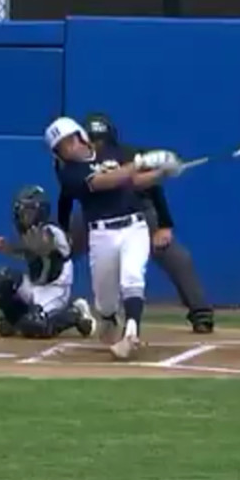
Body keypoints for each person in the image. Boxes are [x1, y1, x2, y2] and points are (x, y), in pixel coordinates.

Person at [58, 113, 215, 334]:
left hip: (137, 211)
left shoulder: (126, 154)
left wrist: (164, 225)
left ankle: (201, 313)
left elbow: (153, 189)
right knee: (58, 250)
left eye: (101, 140)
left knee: (177, 258)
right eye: (92, 139)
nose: (97, 145)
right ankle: (42, 306)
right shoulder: (75, 163)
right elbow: (67, 196)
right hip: (92, 216)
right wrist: (63, 230)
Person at [46, 116, 181, 360]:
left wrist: (162, 172)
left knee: (132, 276)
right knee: (106, 300)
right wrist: (140, 162)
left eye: (69, 142)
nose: (68, 149)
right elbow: (104, 181)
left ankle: (131, 333)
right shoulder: (69, 173)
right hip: (101, 234)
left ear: (80, 136)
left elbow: (135, 181)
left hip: (134, 227)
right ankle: (109, 317)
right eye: (62, 148)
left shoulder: (111, 153)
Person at [0, 184, 98, 339]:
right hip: (34, 285)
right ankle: (16, 319)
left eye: (30, 211)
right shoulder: (27, 232)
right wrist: (9, 248)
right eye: (23, 211)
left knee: (35, 325)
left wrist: (45, 246)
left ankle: (75, 313)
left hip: (55, 289)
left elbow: (56, 249)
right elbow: (29, 253)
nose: (25, 216)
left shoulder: (53, 231)